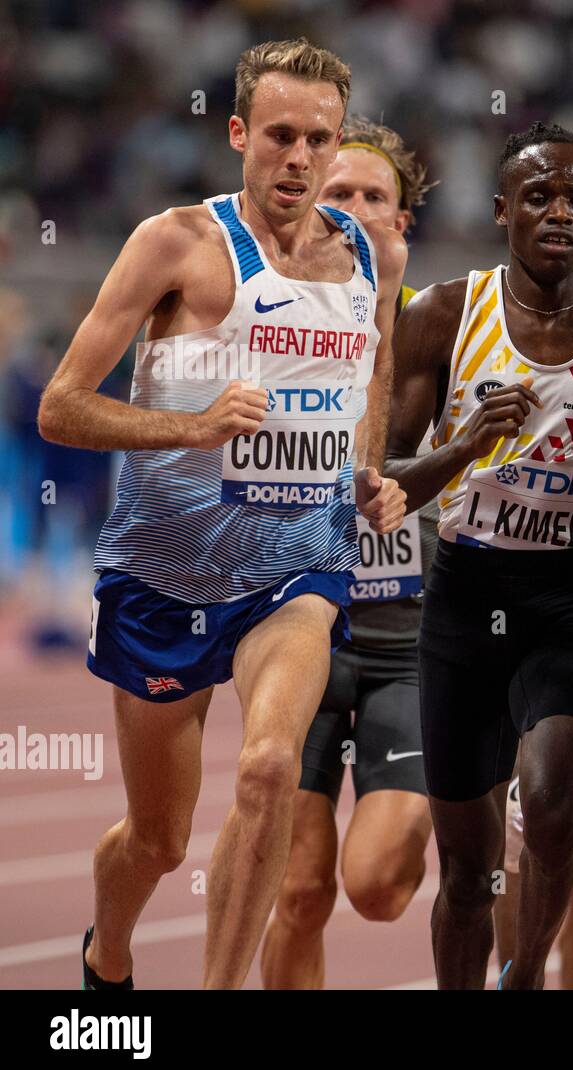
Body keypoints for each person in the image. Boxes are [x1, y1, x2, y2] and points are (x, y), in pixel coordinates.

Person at [38, 38, 407, 989]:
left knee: (271, 768)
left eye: (318, 141)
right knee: (158, 841)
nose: (299, 159)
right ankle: (106, 955)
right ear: (238, 132)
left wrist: (368, 469)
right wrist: (191, 428)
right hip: (162, 574)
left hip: (295, 569)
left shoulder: (374, 251)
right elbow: (62, 406)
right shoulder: (177, 244)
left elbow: (373, 368)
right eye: (279, 135)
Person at [383, 122, 573, 989]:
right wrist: (465, 443)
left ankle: (525, 976)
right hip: (468, 591)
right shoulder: (446, 313)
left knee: (554, 801)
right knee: (470, 871)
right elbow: (392, 476)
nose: (560, 212)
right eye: (540, 196)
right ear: (503, 209)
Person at [260, 117, 435, 988]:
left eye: (376, 198)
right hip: (303, 639)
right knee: (296, 892)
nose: (358, 212)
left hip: (412, 655)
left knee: (375, 887)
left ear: (404, 222)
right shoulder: (284, 339)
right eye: (340, 195)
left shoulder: (449, 336)